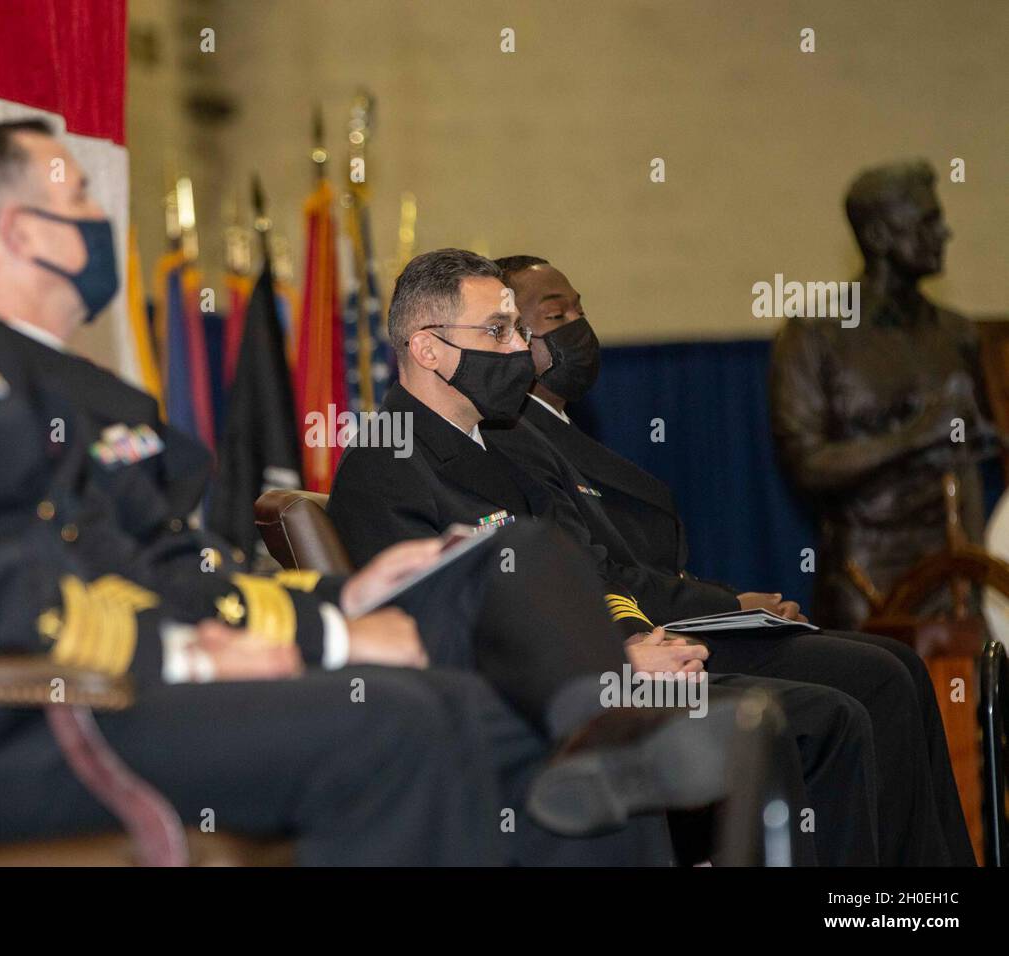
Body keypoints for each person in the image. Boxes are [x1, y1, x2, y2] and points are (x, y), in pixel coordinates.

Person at [0, 28, 517, 865]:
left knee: (464, 710)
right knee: (398, 725)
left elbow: (60, 537)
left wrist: (256, 632)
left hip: (27, 698)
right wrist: (183, 656)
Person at [0, 118, 772, 858]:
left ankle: (604, 720)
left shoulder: (100, 397)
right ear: (17, 231)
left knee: (514, 569)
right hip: (85, 693)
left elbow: (177, 563)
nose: (101, 216)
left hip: (196, 639)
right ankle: (608, 715)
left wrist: (325, 608)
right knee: (436, 717)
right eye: (79, 195)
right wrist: (274, 640)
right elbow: (0, 592)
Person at [325, 249, 907, 865]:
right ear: (427, 349)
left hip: (601, 670)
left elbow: (580, 572)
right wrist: (612, 664)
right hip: (524, 706)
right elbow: (421, 640)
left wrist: (635, 640)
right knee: (807, 722)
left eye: (518, 330)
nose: (521, 350)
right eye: (497, 332)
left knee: (831, 716)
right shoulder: (385, 468)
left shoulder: (500, 447)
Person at [495, 253, 976, 866]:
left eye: (582, 308)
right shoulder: (517, 437)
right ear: (510, 337)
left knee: (898, 663)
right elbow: (604, 577)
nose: (579, 326)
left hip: (673, 619)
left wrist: (737, 606)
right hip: (654, 640)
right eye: (556, 314)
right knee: (875, 678)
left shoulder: (556, 428)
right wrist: (730, 605)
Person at [770, 160, 998, 629]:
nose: (945, 233)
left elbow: (977, 451)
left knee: (969, 702)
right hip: (867, 578)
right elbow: (809, 465)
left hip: (956, 572)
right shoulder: (816, 336)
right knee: (880, 694)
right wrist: (918, 433)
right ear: (877, 237)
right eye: (927, 221)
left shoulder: (956, 333)